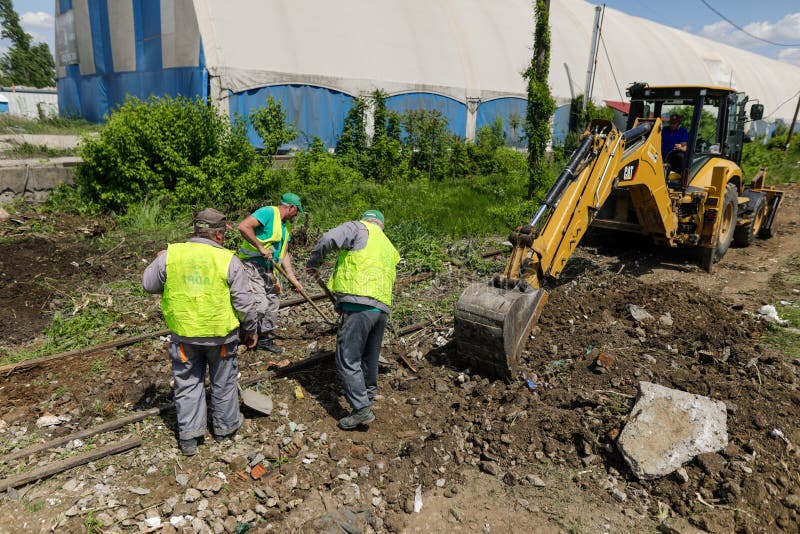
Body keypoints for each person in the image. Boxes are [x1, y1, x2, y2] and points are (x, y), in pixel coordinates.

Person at [142, 208, 258, 456]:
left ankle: (189, 438)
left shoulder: (171, 256)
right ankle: (225, 431)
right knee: (223, 383)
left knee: (188, 384)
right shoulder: (229, 260)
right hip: (221, 338)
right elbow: (244, 304)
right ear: (218, 235)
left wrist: (159, 259)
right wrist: (251, 330)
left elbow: (148, 284)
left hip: (185, 336)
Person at [305, 209, 400, 430]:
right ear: (382, 225)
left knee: (347, 358)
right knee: (369, 356)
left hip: (360, 305)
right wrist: (343, 302)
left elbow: (329, 238)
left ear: (366, 219)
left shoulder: (358, 228)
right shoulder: (388, 246)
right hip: (381, 308)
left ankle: (361, 410)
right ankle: (366, 397)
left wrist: (314, 263)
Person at [237, 193, 305, 354]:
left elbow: (284, 253)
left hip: (269, 269)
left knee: (273, 303)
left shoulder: (284, 226)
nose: (296, 215)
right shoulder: (268, 212)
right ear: (291, 207)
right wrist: (261, 248)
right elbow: (243, 226)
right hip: (252, 265)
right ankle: (245, 334)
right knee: (259, 304)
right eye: (297, 211)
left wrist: (292, 278)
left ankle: (264, 339)